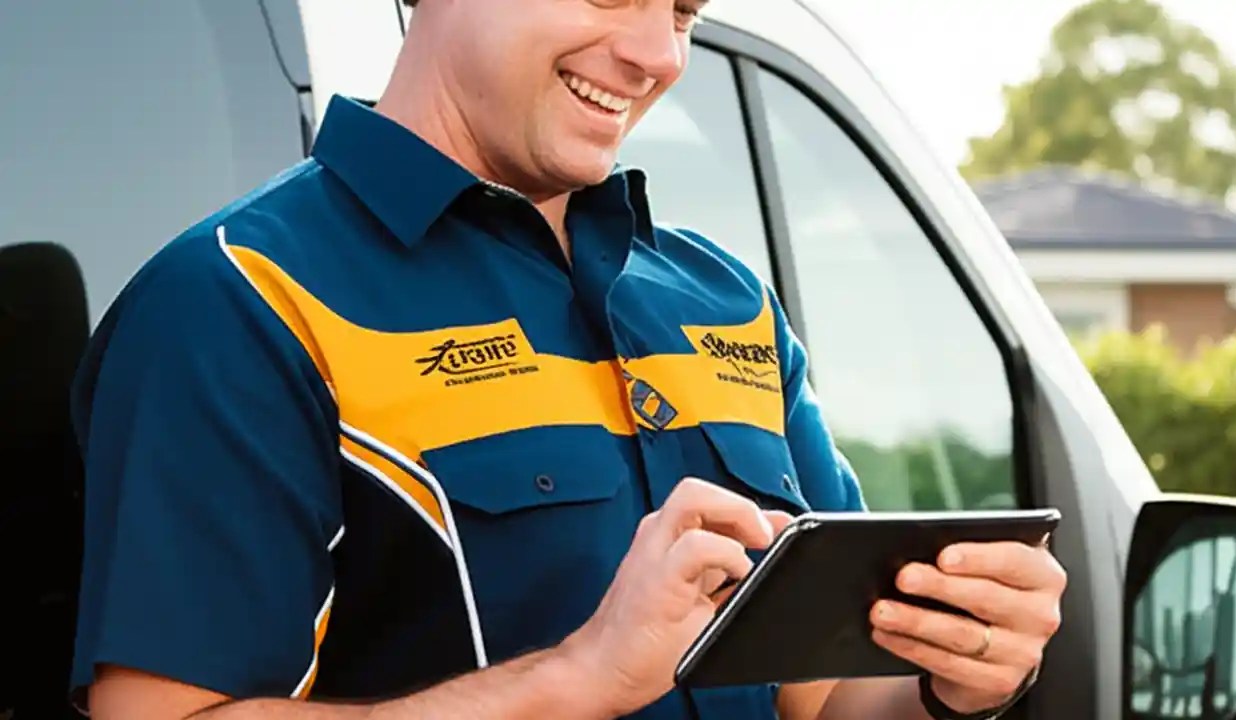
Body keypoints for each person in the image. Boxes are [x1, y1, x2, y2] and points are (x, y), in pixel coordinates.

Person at [71, 0, 1067, 718]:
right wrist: (571, 682)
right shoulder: (241, 295)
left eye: (682, 8)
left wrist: (957, 671)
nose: (654, 53)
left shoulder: (724, 301)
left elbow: (827, 695)